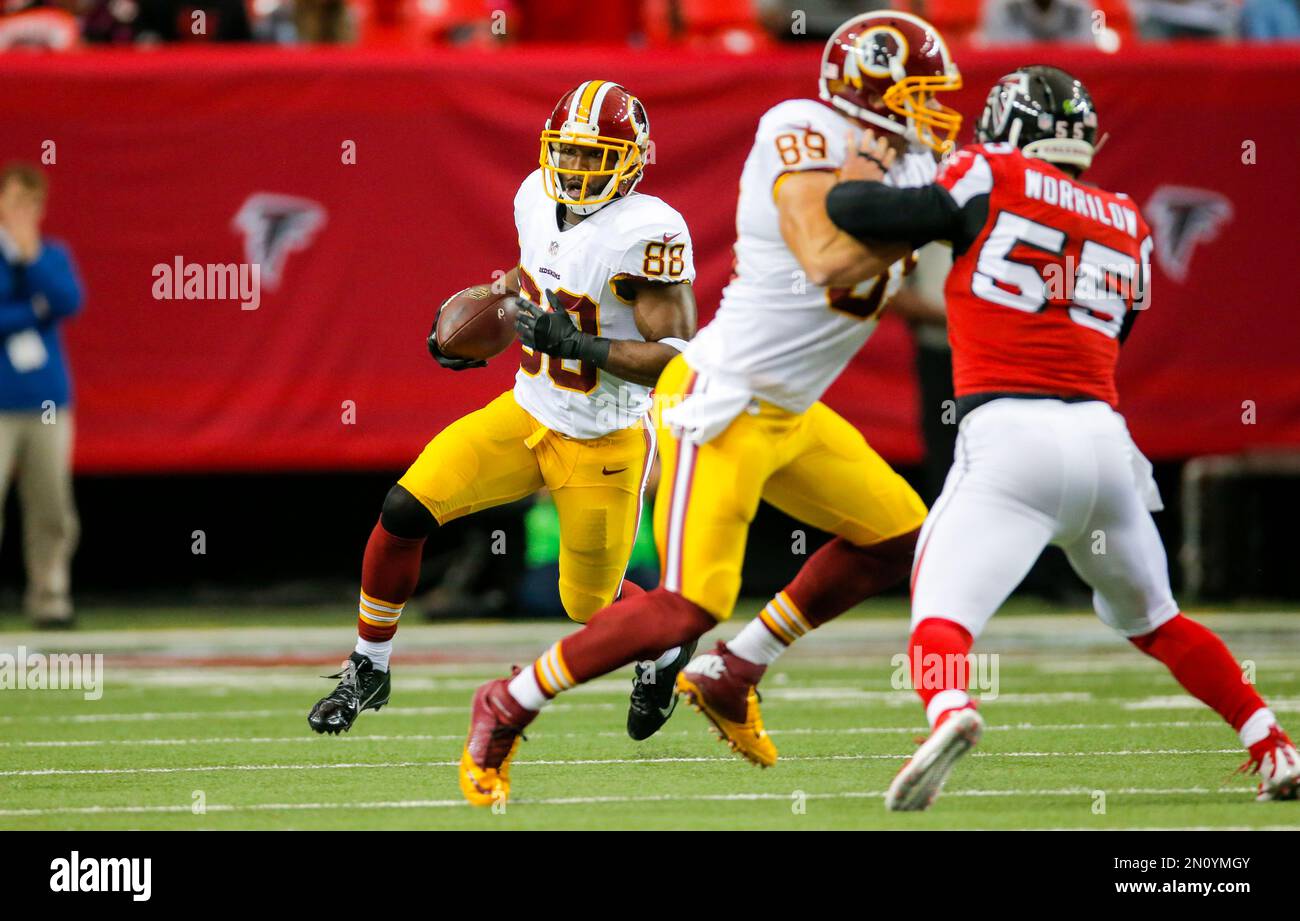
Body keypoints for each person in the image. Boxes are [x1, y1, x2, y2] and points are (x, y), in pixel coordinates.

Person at [456, 11, 962, 805]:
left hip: (792, 408)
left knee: (900, 537)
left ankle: (737, 667)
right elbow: (828, 257)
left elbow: (925, 296)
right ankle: (508, 702)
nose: (933, 114)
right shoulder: (802, 129)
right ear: (867, 93)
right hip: (723, 397)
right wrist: (944, 211)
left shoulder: (912, 171)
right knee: (687, 605)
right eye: (918, 94)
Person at [824, 65, 1299, 809]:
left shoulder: (990, 170)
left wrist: (879, 161)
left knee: (939, 612)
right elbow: (1118, 325)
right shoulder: (1127, 217)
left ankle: (950, 711)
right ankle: (1270, 739)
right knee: (1161, 621)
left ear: (1008, 128)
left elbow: (853, 209)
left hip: (1010, 434)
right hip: (1107, 443)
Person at [307, 81, 698, 740]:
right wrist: (480, 319)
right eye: (567, 154)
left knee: (589, 603)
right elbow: (535, 278)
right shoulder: (534, 197)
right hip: (526, 410)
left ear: (632, 159)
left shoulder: (648, 231)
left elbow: (676, 357)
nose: (575, 169)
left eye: (593, 155)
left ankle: (665, 651)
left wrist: (578, 342)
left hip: (605, 437)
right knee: (404, 509)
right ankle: (367, 665)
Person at [0, 162, 83, 629]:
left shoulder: (50, 255)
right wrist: (33, 310)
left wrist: (30, 260)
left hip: (47, 401)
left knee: (51, 506)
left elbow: (70, 300)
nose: (21, 212)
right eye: (14, 201)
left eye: (30, 204)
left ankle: (50, 598)